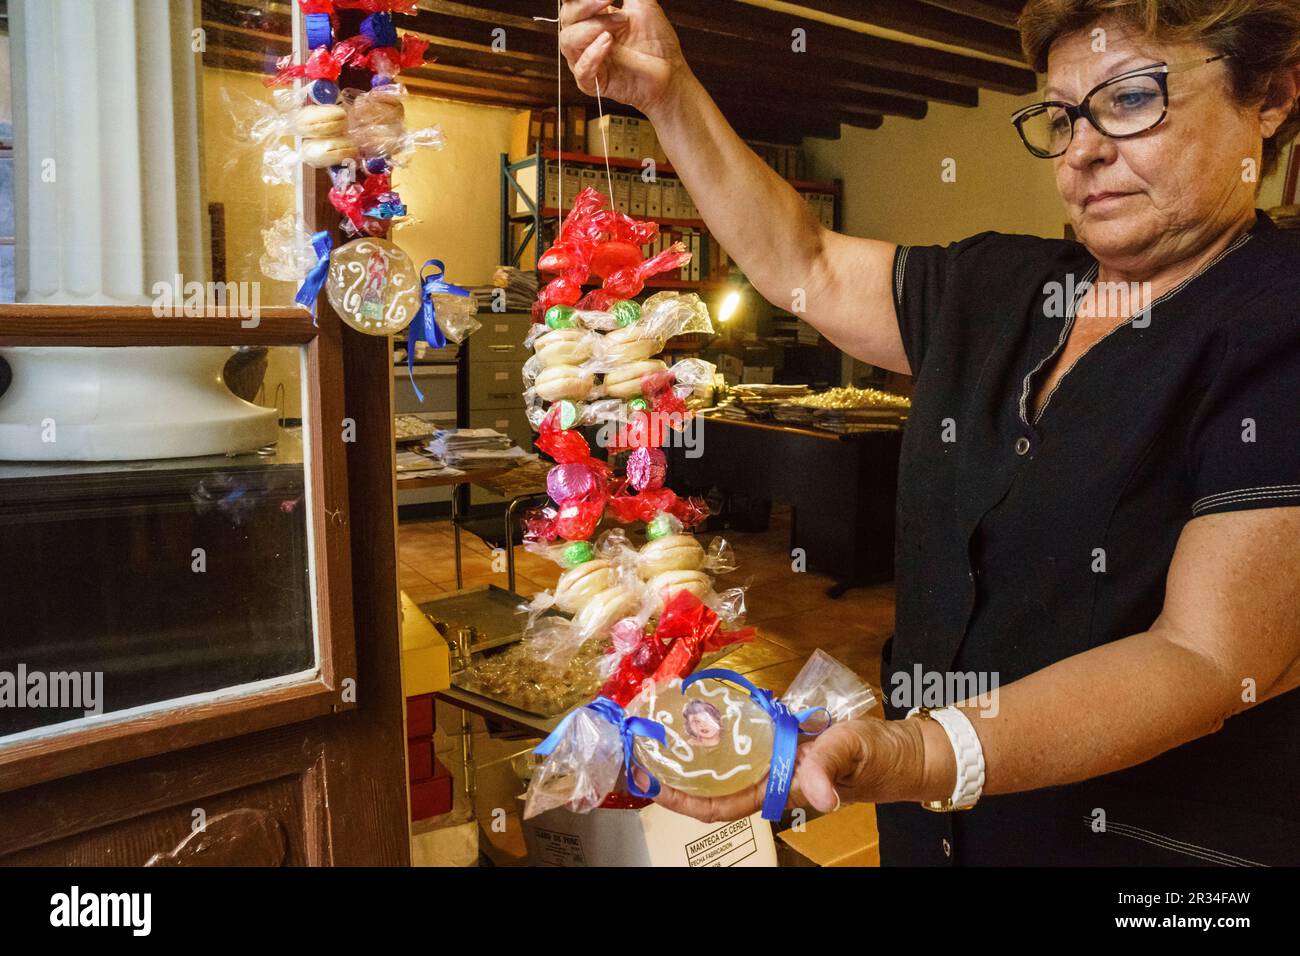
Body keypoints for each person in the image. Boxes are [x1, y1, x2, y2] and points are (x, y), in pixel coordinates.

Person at [559, 0, 1300, 865]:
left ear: (1273, 98)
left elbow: (1205, 655)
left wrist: (915, 752)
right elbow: (808, 264)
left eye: (1132, 100)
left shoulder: (1276, 325)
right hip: (937, 833)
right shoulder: (1002, 287)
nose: (1084, 150)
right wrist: (669, 93)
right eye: (1061, 117)